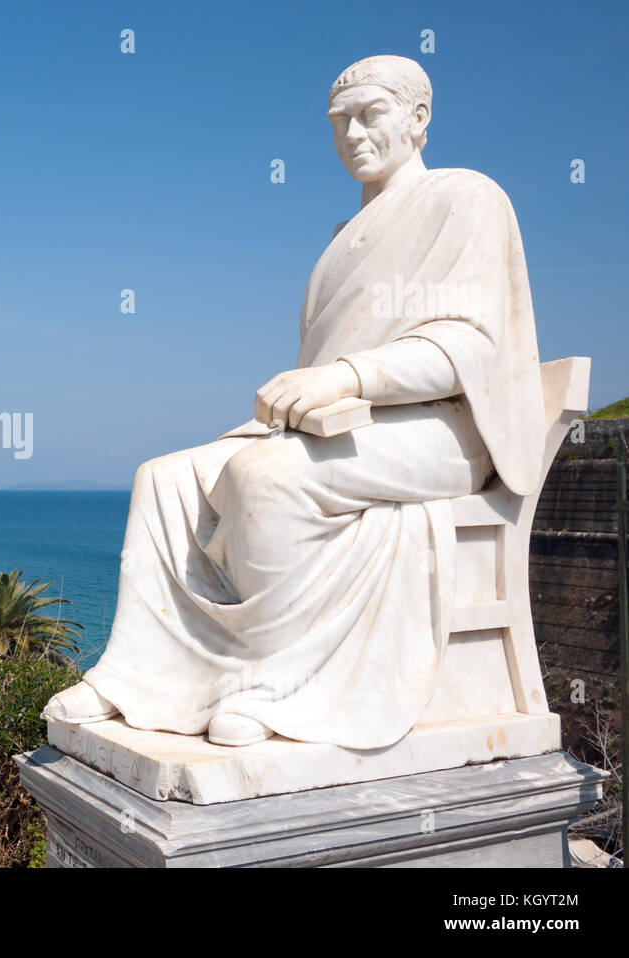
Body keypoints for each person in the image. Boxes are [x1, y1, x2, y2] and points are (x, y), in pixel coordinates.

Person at [43, 55, 545, 749]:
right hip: (358, 423)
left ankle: (274, 682)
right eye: (339, 122)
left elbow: (469, 342)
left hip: (444, 429)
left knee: (265, 477)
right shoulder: (342, 241)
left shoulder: (466, 199)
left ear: (419, 119)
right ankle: (140, 677)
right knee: (162, 479)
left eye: (370, 114)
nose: (352, 135)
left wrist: (348, 378)